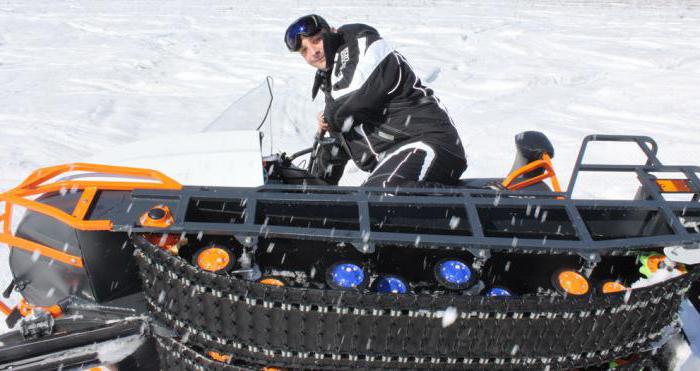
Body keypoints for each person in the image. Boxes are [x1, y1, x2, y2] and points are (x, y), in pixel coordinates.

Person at [284, 14, 467, 187]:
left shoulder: (362, 43)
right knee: (364, 205)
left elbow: (352, 99)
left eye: (317, 41)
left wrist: (330, 119)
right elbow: (339, 138)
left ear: (331, 32)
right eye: (304, 51)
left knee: (382, 196)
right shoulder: (335, 87)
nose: (313, 52)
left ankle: (484, 202)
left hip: (429, 141)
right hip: (397, 156)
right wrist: (311, 188)